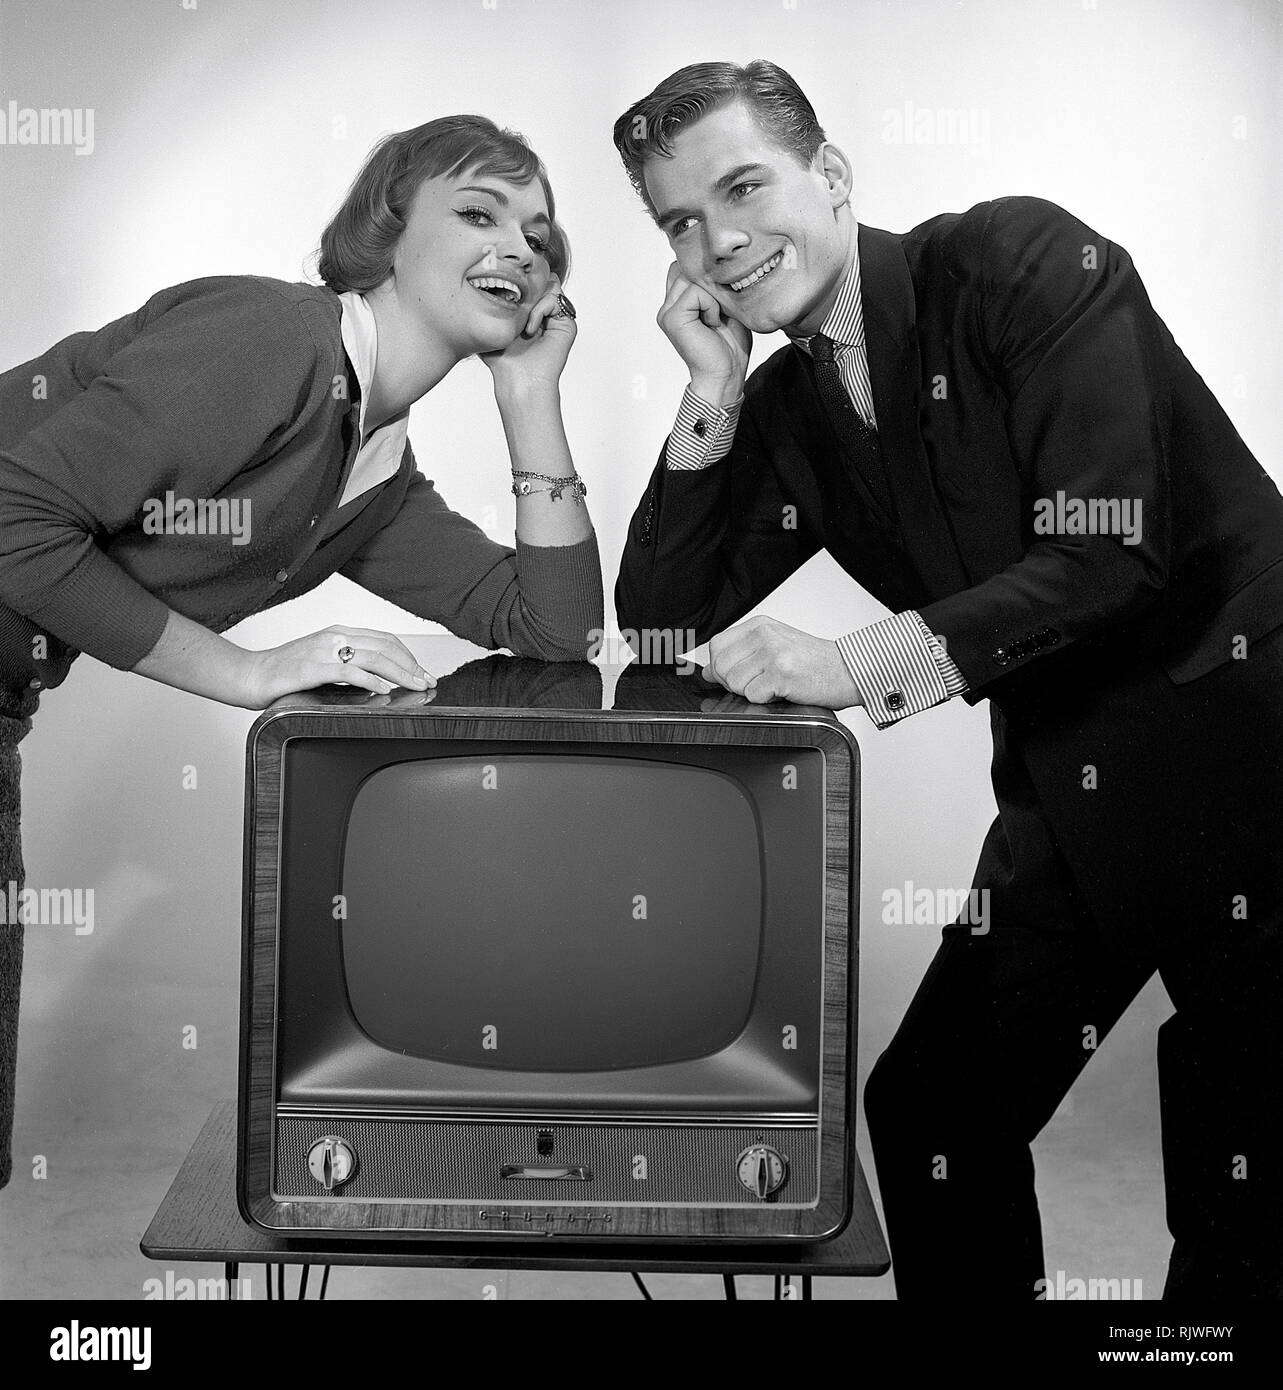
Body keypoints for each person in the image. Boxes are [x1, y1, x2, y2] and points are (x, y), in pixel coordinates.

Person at [612, 60, 1283, 1299]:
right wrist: (706, 396)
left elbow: (1106, 551)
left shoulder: (1022, 264)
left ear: (831, 176)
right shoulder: (785, 405)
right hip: (1072, 789)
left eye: (743, 186)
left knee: (1244, 1167)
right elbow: (655, 618)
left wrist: (847, 663)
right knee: (930, 1117)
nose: (721, 240)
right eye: (680, 224)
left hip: (1246, 747)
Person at [0, 114, 604, 1191]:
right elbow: (12, 518)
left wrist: (529, 396)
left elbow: (555, 631)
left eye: (540, 235)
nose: (521, 246)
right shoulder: (274, 339)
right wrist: (247, 673)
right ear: (384, 234)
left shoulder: (365, 475)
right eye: (479, 213)